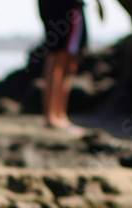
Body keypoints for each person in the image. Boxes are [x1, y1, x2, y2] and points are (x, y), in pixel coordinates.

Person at [37, 0, 99, 132]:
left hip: (69, 6)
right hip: (64, 6)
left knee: (70, 60)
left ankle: (59, 114)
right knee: (58, 55)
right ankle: (52, 116)